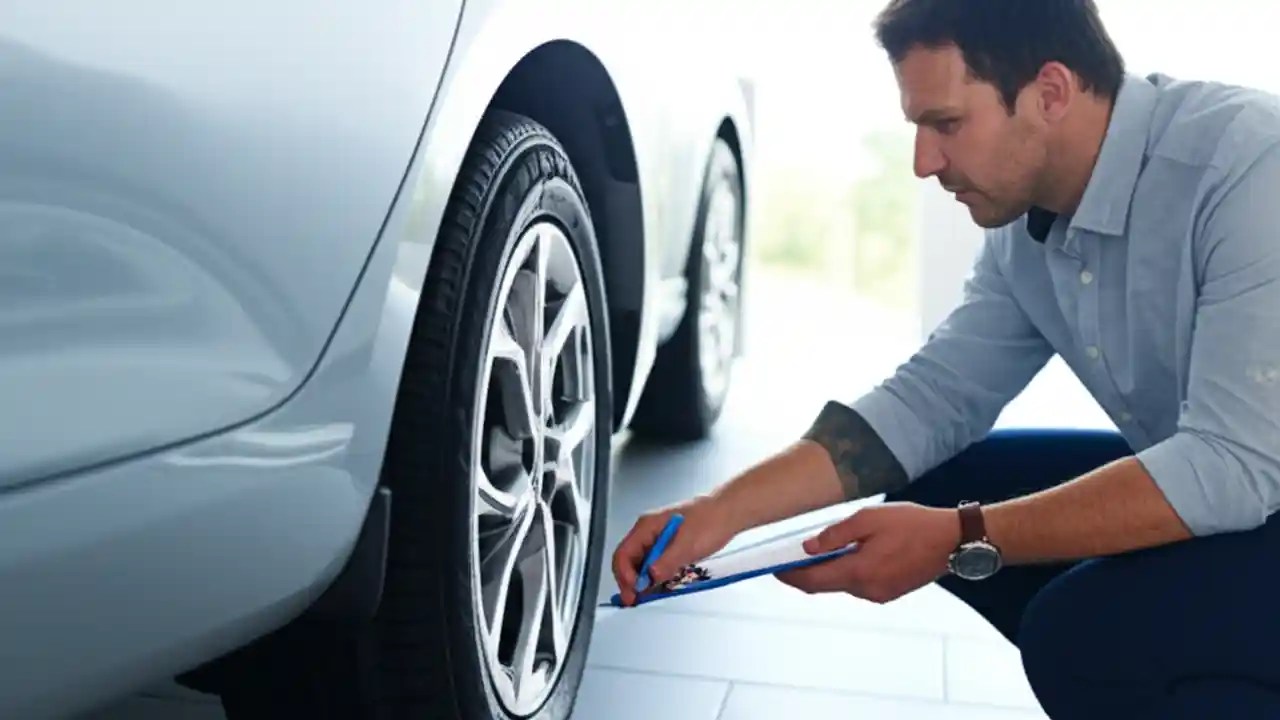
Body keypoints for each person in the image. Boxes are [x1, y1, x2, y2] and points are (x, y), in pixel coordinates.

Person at [612, 1, 1280, 717]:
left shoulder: (1246, 166)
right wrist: (723, 511)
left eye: (947, 124)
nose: (923, 163)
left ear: (1051, 92)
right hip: (1246, 485)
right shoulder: (1027, 226)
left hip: (1249, 478)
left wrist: (965, 537)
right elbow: (933, 400)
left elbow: (1230, 466)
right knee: (940, 494)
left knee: (1079, 633)